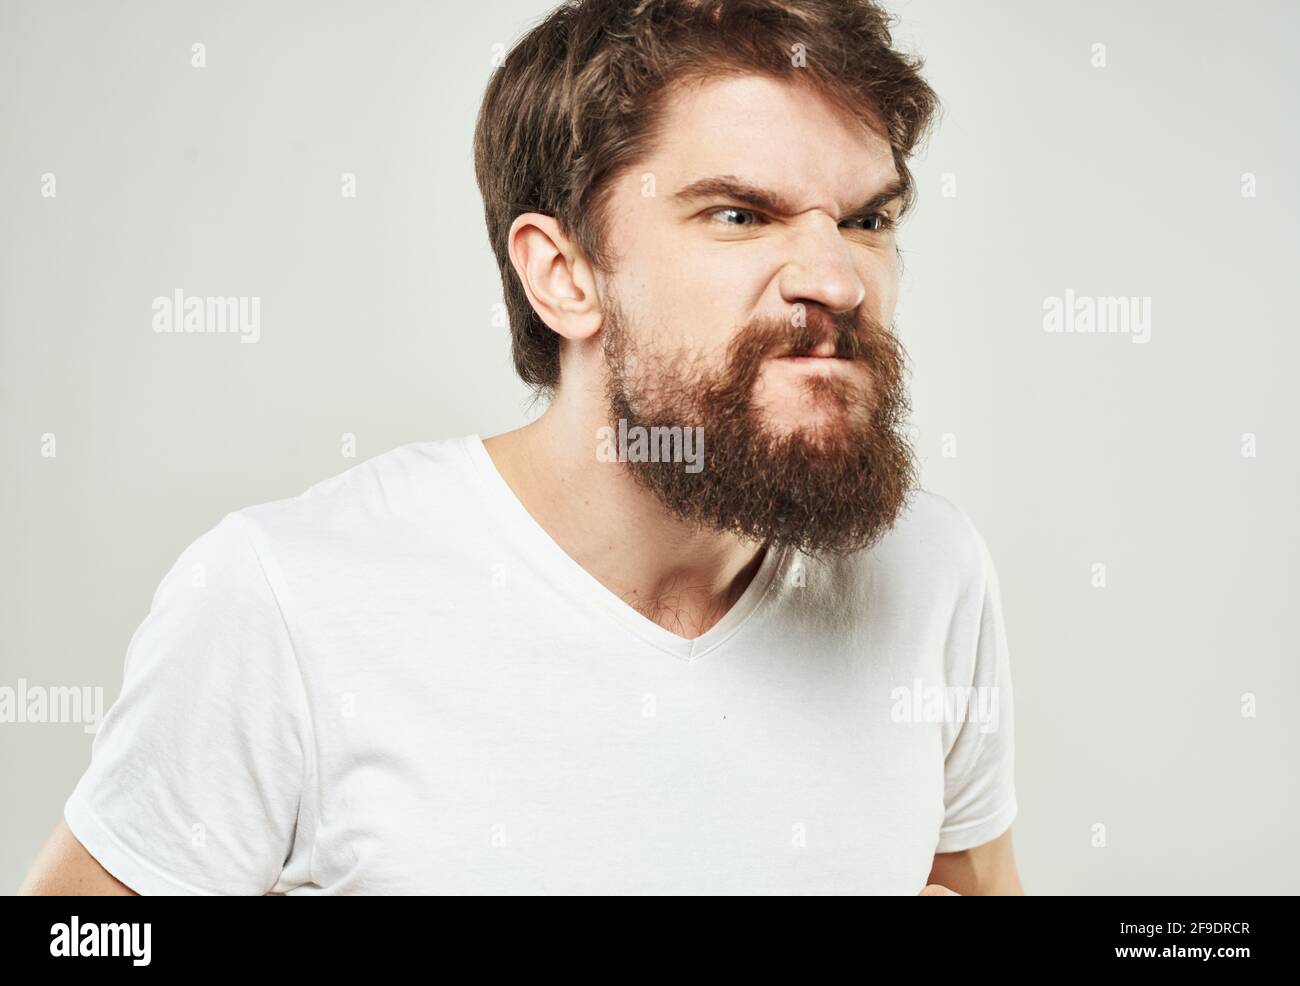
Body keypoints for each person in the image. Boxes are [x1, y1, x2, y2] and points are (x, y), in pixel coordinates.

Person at [21, 0, 1022, 895]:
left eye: (867, 218)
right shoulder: (283, 596)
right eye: (738, 214)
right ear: (564, 274)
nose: (838, 280)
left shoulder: (929, 573)